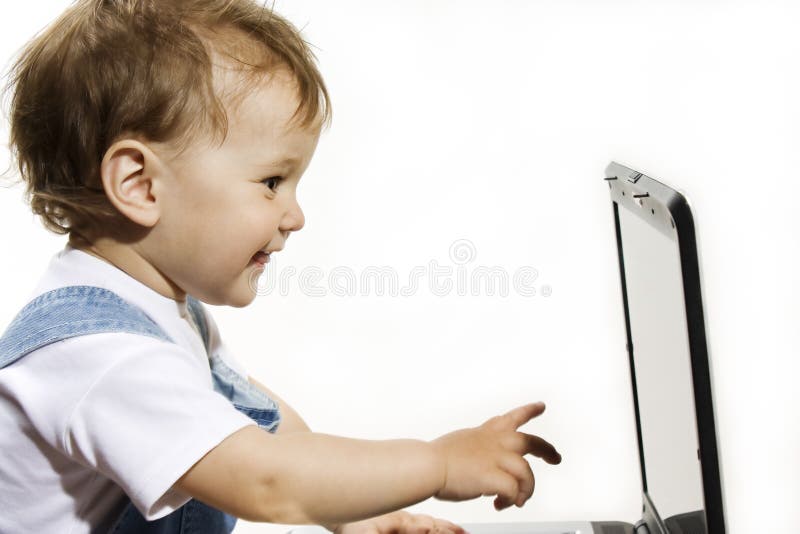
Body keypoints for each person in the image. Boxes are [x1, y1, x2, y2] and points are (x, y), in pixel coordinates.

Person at [0, 1, 561, 533]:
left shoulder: (157, 309)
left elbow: (257, 415)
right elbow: (265, 479)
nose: (295, 216)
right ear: (140, 185)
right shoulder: (104, 357)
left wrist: (351, 515)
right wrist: (437, 463)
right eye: (271, 182)